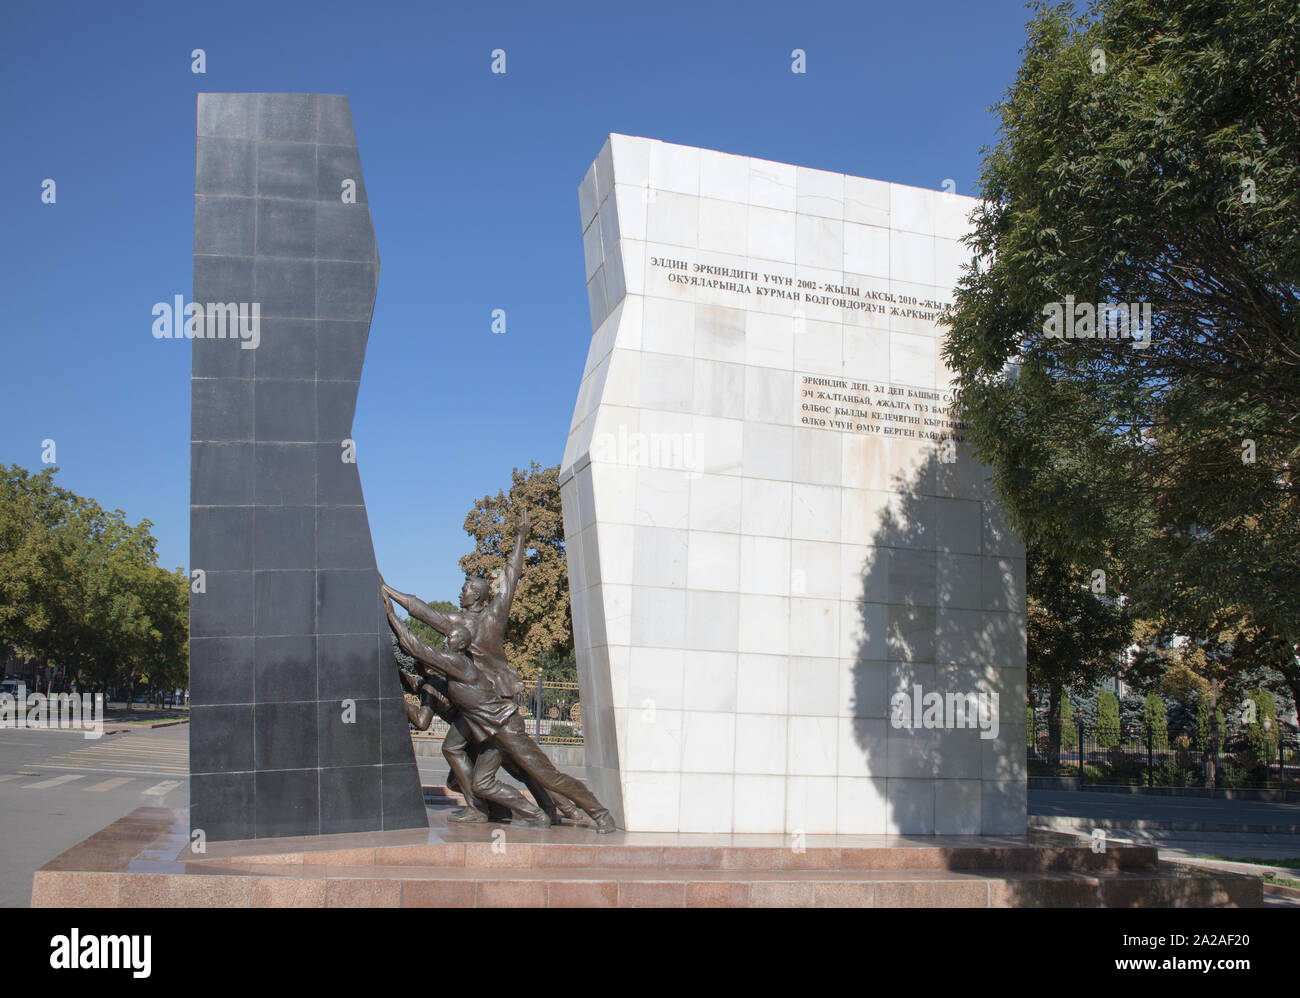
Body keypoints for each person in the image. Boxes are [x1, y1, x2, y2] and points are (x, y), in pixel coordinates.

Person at [387, 603, 614, 833]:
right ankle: (536, 815)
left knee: (548, 777)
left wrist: (391, 614)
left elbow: (416, 648)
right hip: (492, 735)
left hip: (506, 727)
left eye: (449, 639)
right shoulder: (454, 668)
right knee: (482, 783)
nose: (444, 642)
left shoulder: (458, 663)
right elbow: (420, 676)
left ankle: (601, 814)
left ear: (459, 645)